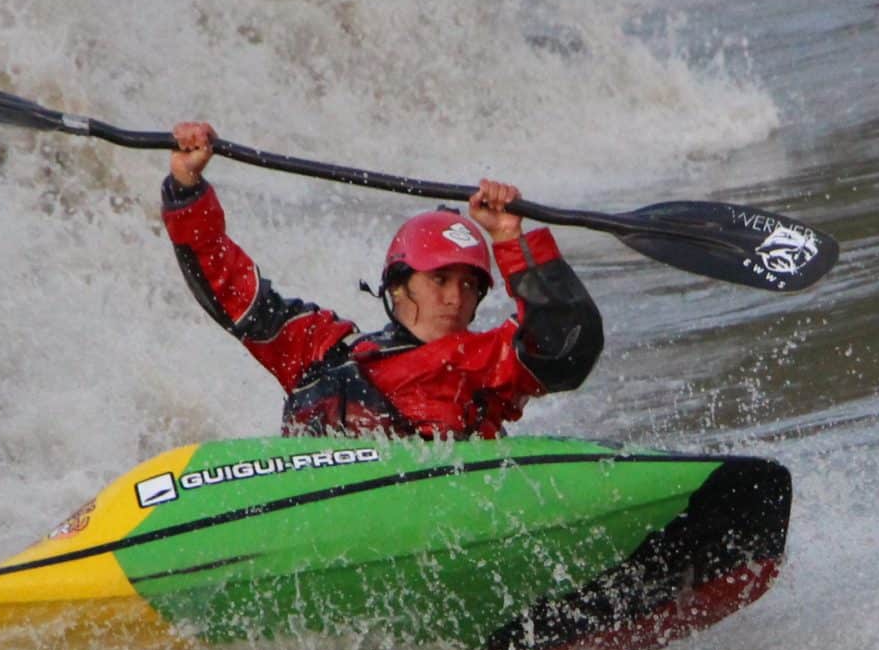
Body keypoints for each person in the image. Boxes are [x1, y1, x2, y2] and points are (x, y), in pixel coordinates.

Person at [157, 119, 604, 439]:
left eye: (470, 284)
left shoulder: (488, 361)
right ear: (397, 286)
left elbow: (568, 343)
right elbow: (234, 293)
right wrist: (187, 189)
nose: (456, 297)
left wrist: (508, 237)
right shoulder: (322, 348)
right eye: (440, 279)